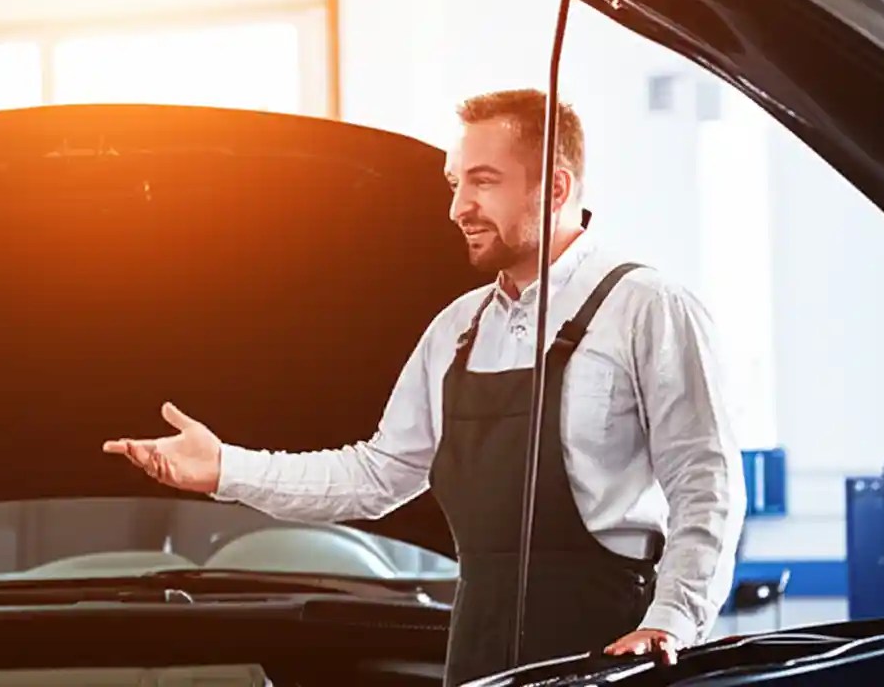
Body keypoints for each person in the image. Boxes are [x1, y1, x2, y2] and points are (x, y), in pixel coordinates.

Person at [104, 88, 748, 685]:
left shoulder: (647, 308)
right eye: (454, 183)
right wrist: (226, 469)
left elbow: (706, 485)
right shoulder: (457, 330)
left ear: (554, 188)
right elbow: (377, 475)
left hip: (605, 656)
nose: (457, 207)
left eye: (482, 182)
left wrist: (671, 623)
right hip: (476, 652)